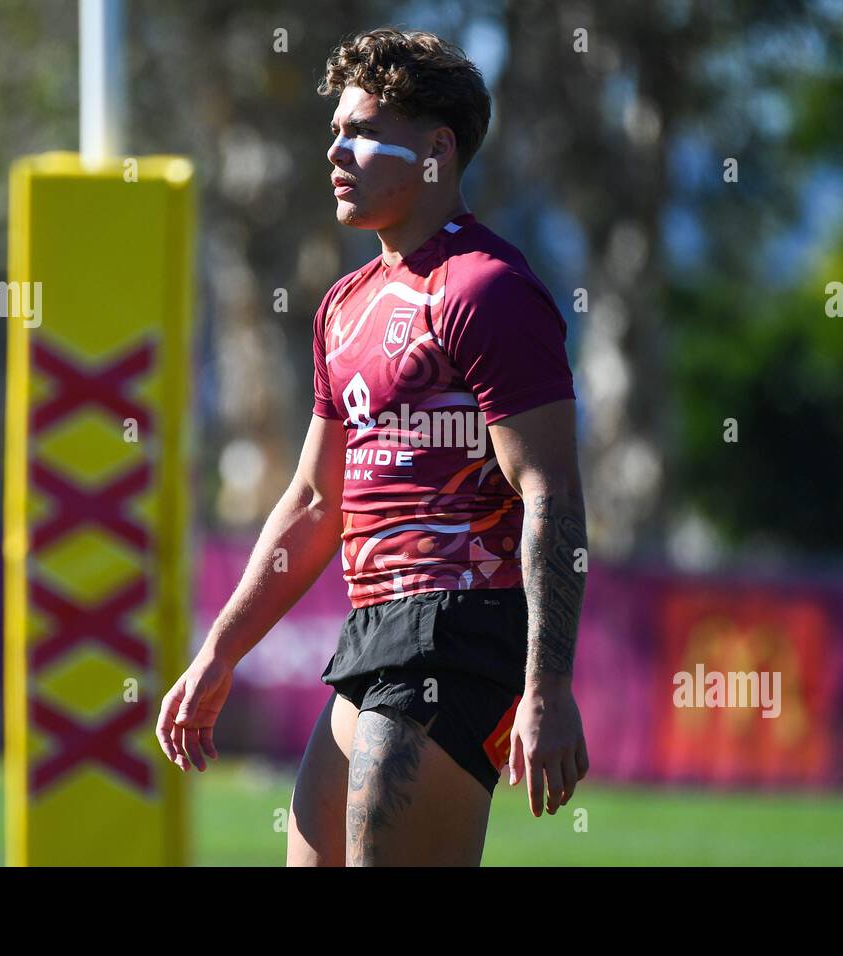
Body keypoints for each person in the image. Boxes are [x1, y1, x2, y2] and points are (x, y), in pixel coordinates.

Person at [157, 26, 589, 866]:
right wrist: (219, 655)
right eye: (333, 132)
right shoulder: (343, 306)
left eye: (359, 131)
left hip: (460, 631)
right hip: (374, 632)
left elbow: (553, 495)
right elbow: (317, 501)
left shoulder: (487, 290)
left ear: (436, 149)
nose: (336, 151)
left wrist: (547, 689)